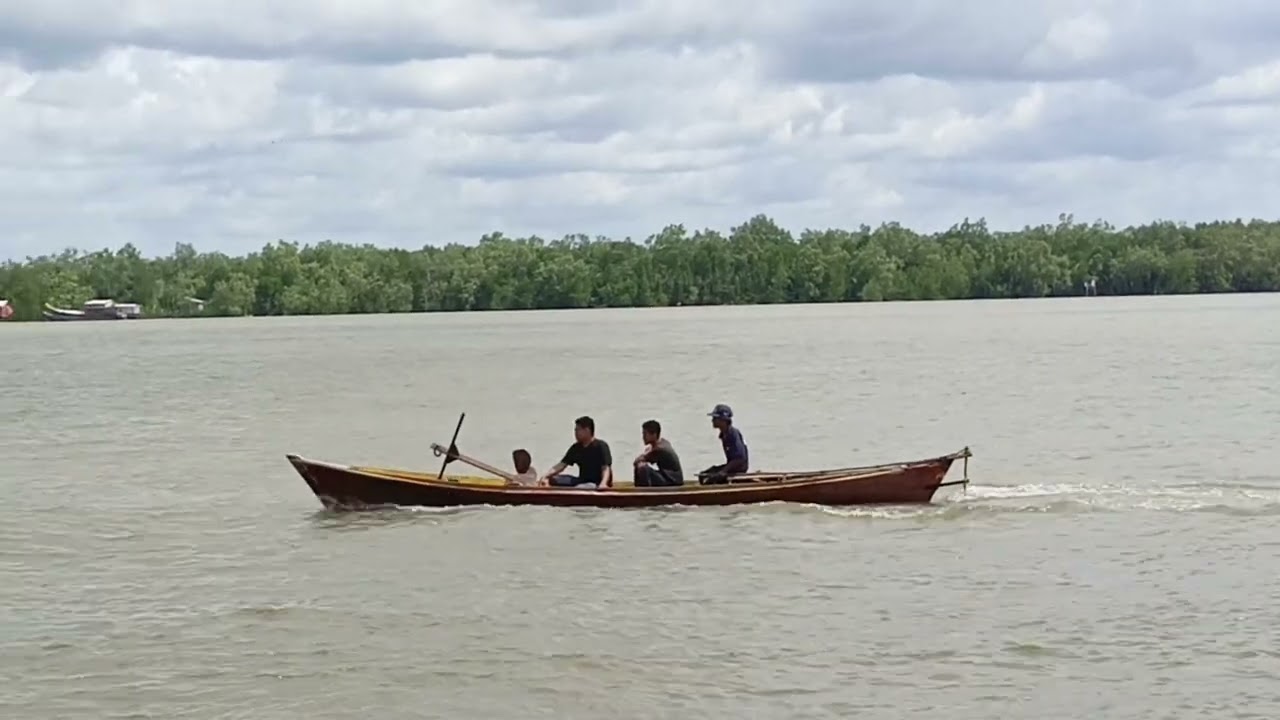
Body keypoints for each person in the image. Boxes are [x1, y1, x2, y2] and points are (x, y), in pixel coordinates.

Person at [538, 415, 614, 488]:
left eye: (578, 430)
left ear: (587, 430)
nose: (575, 433)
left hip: (596, 483)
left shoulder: (601, 446)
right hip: (581, 480)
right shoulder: (576, 448)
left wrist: (603, 483)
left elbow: (606, 468)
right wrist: (546, 476)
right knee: (553, 480)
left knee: (580, 488)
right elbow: (562, 465)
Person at [699, 403, 749, 484]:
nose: (712, 420)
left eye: (715, 418)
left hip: (738, 470)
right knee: (704, 474)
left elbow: (740, 459)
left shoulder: (732, 434)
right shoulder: (723, 434)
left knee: (711, 480)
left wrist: (723, 471)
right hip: (730, 468)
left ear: (723, 420)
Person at [632, 419, 684, 487]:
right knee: (641, 467)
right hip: (668, 477)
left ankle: (643, 491)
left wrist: (646, 454)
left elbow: (636, 461)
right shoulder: (662, 442)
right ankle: (639, 489)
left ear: (654, 434)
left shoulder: (660, 449)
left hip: (672, 481)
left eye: (645, 434)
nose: (643, 437)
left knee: (642, 468)